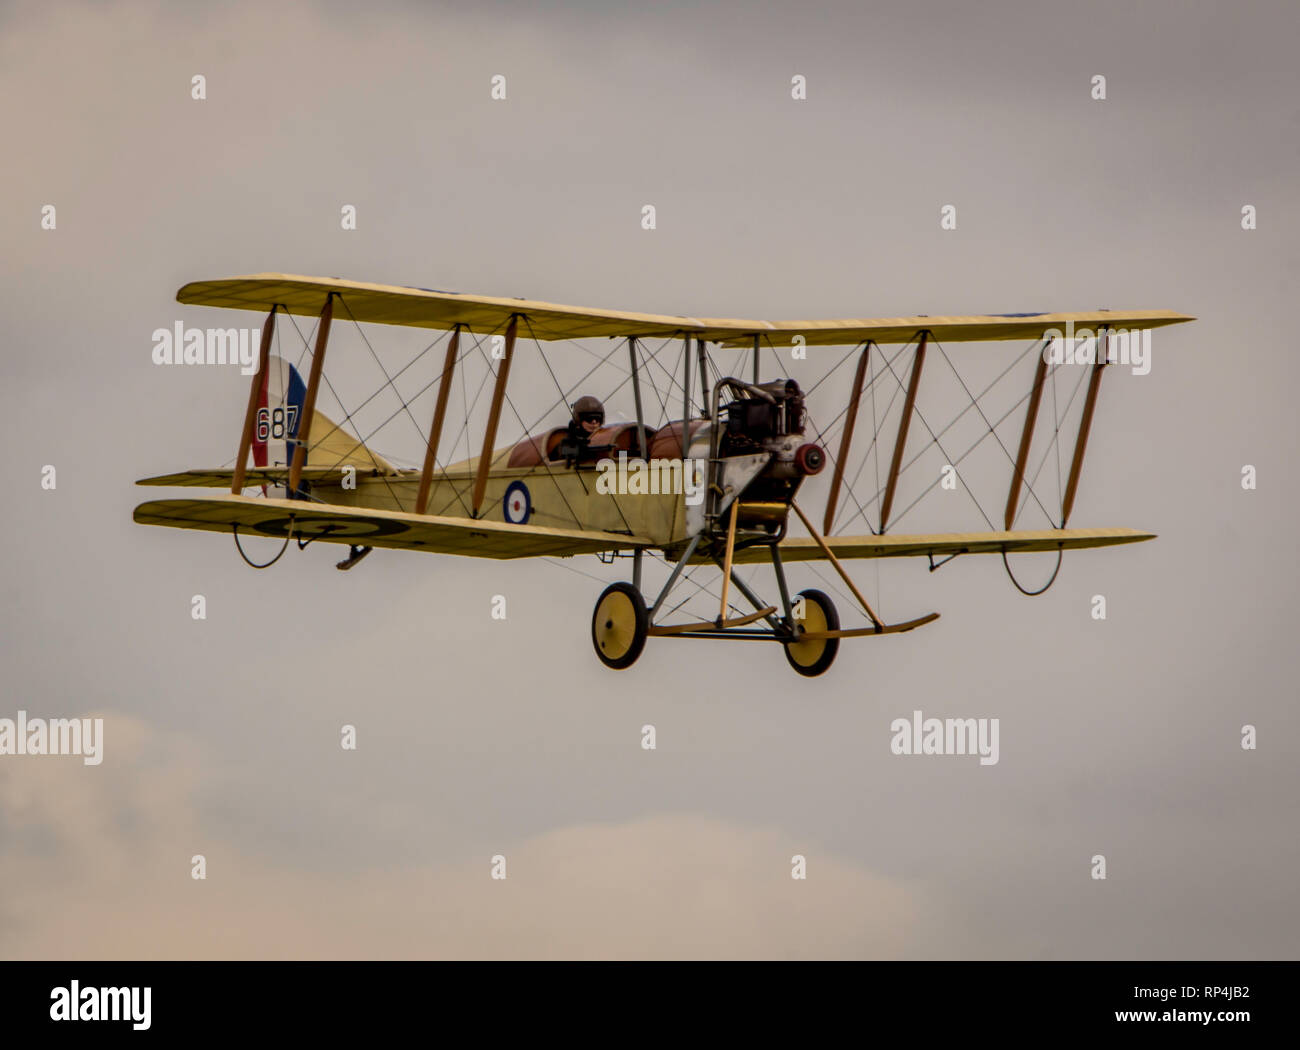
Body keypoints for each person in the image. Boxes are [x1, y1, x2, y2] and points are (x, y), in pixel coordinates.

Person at [553, 395, 605, 462]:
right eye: (589, 418)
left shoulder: (606, 437)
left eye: (598, 418)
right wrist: (582, 451)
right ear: (579, 420)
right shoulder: (568, 441)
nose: (594, 422)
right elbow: (563, 451)